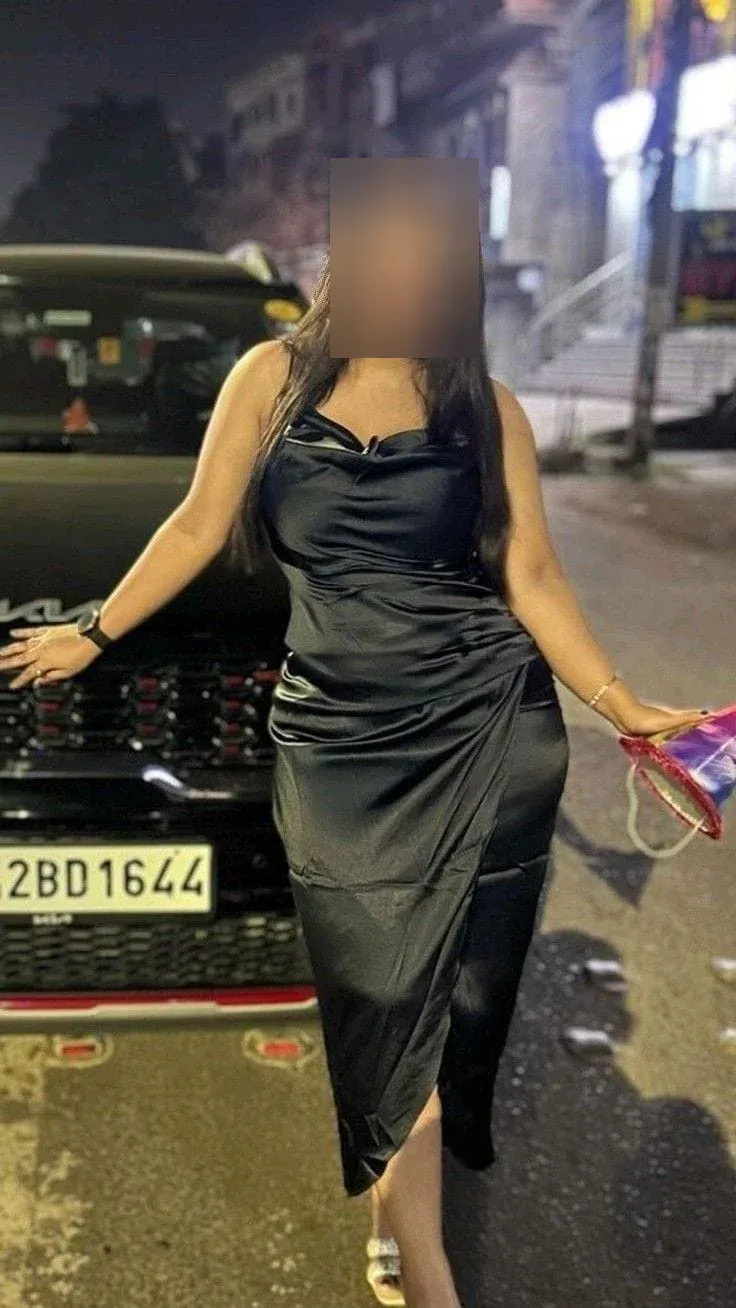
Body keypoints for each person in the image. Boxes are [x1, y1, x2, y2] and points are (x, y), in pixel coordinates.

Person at [0, 191, 708, 1308]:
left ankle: (421, 1260)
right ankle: (404, 1210)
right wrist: (94, 632)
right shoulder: (268, 380)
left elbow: (529, 574)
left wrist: (623, 707)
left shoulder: (486, 407)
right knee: (378, 997)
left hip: (487, 730)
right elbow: (196, 525)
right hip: (335, 742)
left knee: (448, 1007)